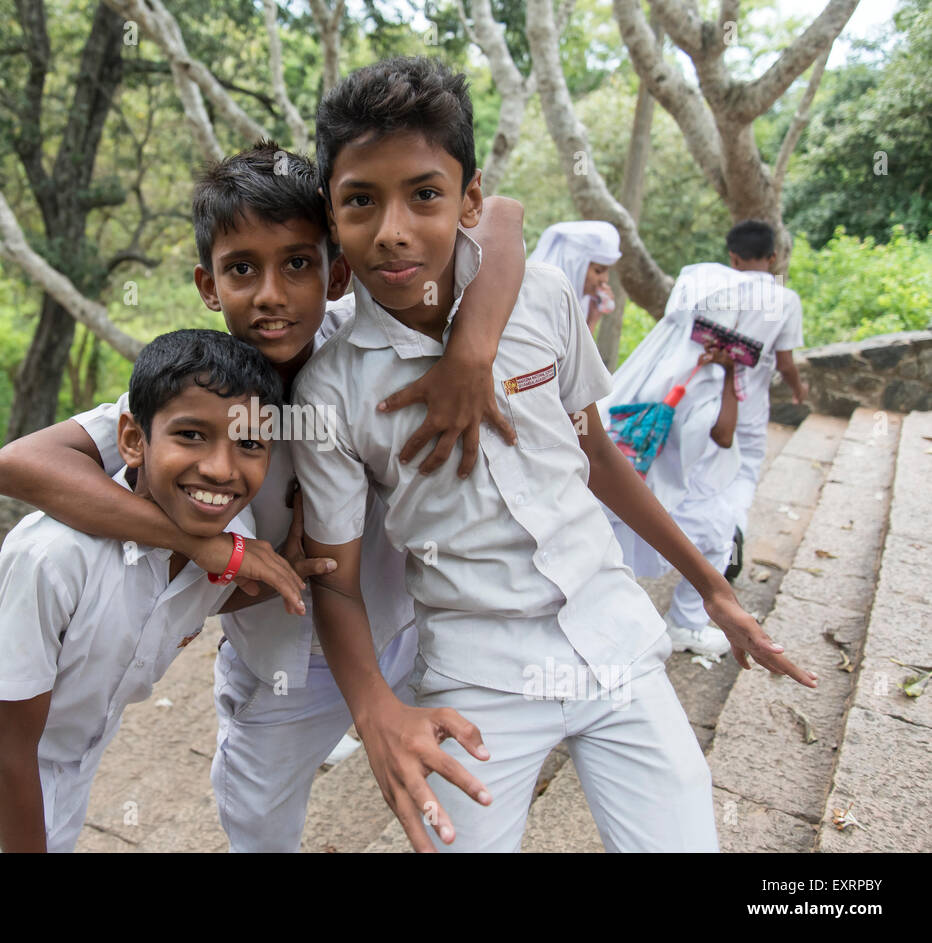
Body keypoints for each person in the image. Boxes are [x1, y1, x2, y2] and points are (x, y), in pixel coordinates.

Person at [290, 55, 818, 854]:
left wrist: (713, 588)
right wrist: (376, 711)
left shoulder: (539, 298)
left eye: (424, 194)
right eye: (361, 201)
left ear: (469, 199)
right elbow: (334, 577)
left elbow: (598, 456)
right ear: (333, 218)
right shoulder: (330, 393)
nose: (393, 229)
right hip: (478, 678)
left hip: (615, 639)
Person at [0, 141, 528, 852]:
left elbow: (504, 217)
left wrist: (471, 351)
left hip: (407, 625)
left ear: (336, 274)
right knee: (259, 819)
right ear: (210, 286)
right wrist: (207, 545)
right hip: (281, 658)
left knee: (463, 794)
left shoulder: (376, 342)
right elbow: (18, 465)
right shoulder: (199, 394)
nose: (270, 294)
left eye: (297, 263)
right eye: (242, 269)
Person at [0, 330, 295, 852]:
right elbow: (8, 754)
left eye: (249, 444)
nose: (221, 468)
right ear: (133, 441)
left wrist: (290, 570)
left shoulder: (234, 537)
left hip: (71, 754)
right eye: (191, 436)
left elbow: (197, 598)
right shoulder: (54, 557)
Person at [601, 275, 748, 657]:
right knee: (717, 536)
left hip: (638, 479)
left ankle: (615, 625)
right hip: (682, 489)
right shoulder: (707, 370)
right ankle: (685, 624)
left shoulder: (661, 351)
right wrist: (731, 373)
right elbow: (723, 435)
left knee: (615, 557)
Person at [719, 221, 809, 539]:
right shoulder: (784, 300)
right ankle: (734, 531)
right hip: (751, 403)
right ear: (772, 257)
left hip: (710, 402)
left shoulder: (719, 290)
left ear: (733, 257)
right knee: (746, 469)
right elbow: (785, 363)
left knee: (709, 466)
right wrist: (799, 390)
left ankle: (709, 533)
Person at [529, 220, 621, 335]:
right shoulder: (542, 300)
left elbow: (580, 350)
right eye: (598, 271)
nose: (605, 280)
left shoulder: (583, 302)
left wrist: (592, 318)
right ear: (575, 266)